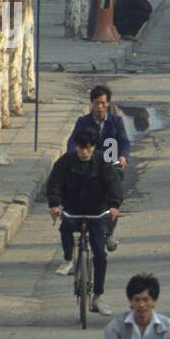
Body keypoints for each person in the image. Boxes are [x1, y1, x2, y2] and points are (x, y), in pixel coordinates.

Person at [47, 130, 122, 316]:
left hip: (96, 212)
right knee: (65, 228)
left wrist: (113, 205)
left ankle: (98, 296)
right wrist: (55, 205)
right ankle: (68, 259)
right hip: (72, 210)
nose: (84, 152)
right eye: (81, 148)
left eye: (88, 148)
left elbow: (114, 184)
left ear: (93, 147)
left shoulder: (103, 162)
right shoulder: (64, 162)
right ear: (76, 147)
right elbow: (54, 183)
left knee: (100, 254)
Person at [67, 83, 130, 250]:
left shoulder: (116, 122)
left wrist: (123, 156)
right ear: (91, 104)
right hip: (89, 166)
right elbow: (73, 143)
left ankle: (109, 234)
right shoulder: (83, 122)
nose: (100, 107)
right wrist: (72, 157)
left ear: (108, 104)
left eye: (103, 103)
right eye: (96, 103)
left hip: (111, 167)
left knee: (113, 199)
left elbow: (124, 141)